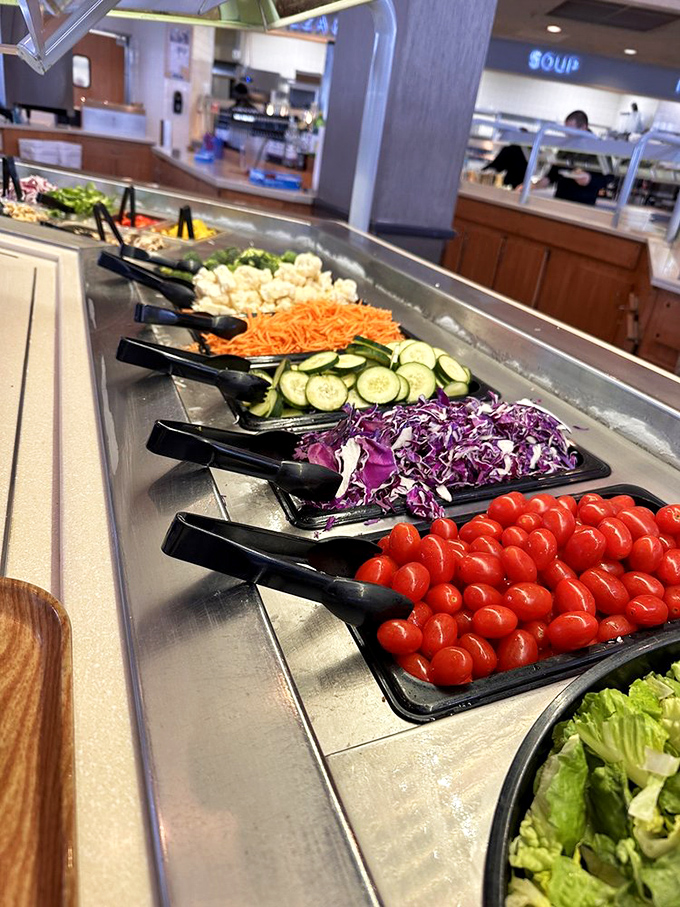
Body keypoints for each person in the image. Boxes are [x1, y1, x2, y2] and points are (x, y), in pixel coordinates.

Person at [532, 110, 613, 206]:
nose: (567, 135)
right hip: (560, 199)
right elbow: (555, 172)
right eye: (566, 131)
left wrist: (590, 179)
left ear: (583, 127)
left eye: (571, 131)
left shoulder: (599, 147)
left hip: (584, 204)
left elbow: (609, 177)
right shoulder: (568, 144)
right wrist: (534, 186)